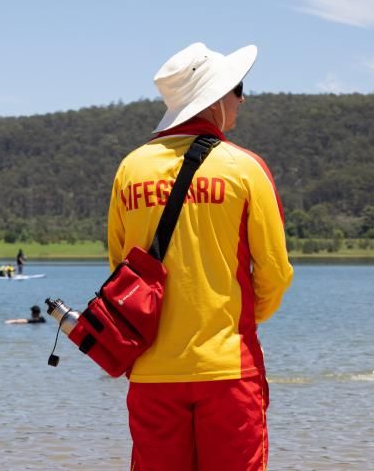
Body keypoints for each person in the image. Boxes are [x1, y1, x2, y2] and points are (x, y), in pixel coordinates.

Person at [107, 42, 293, 470]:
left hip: (151, 369)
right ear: (215, 98)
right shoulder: (245, 168)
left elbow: (120, 269)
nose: (242, 99)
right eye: (237, 89)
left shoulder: (130, 169)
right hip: (227, 367)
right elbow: (275, 271)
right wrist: (236, 320)